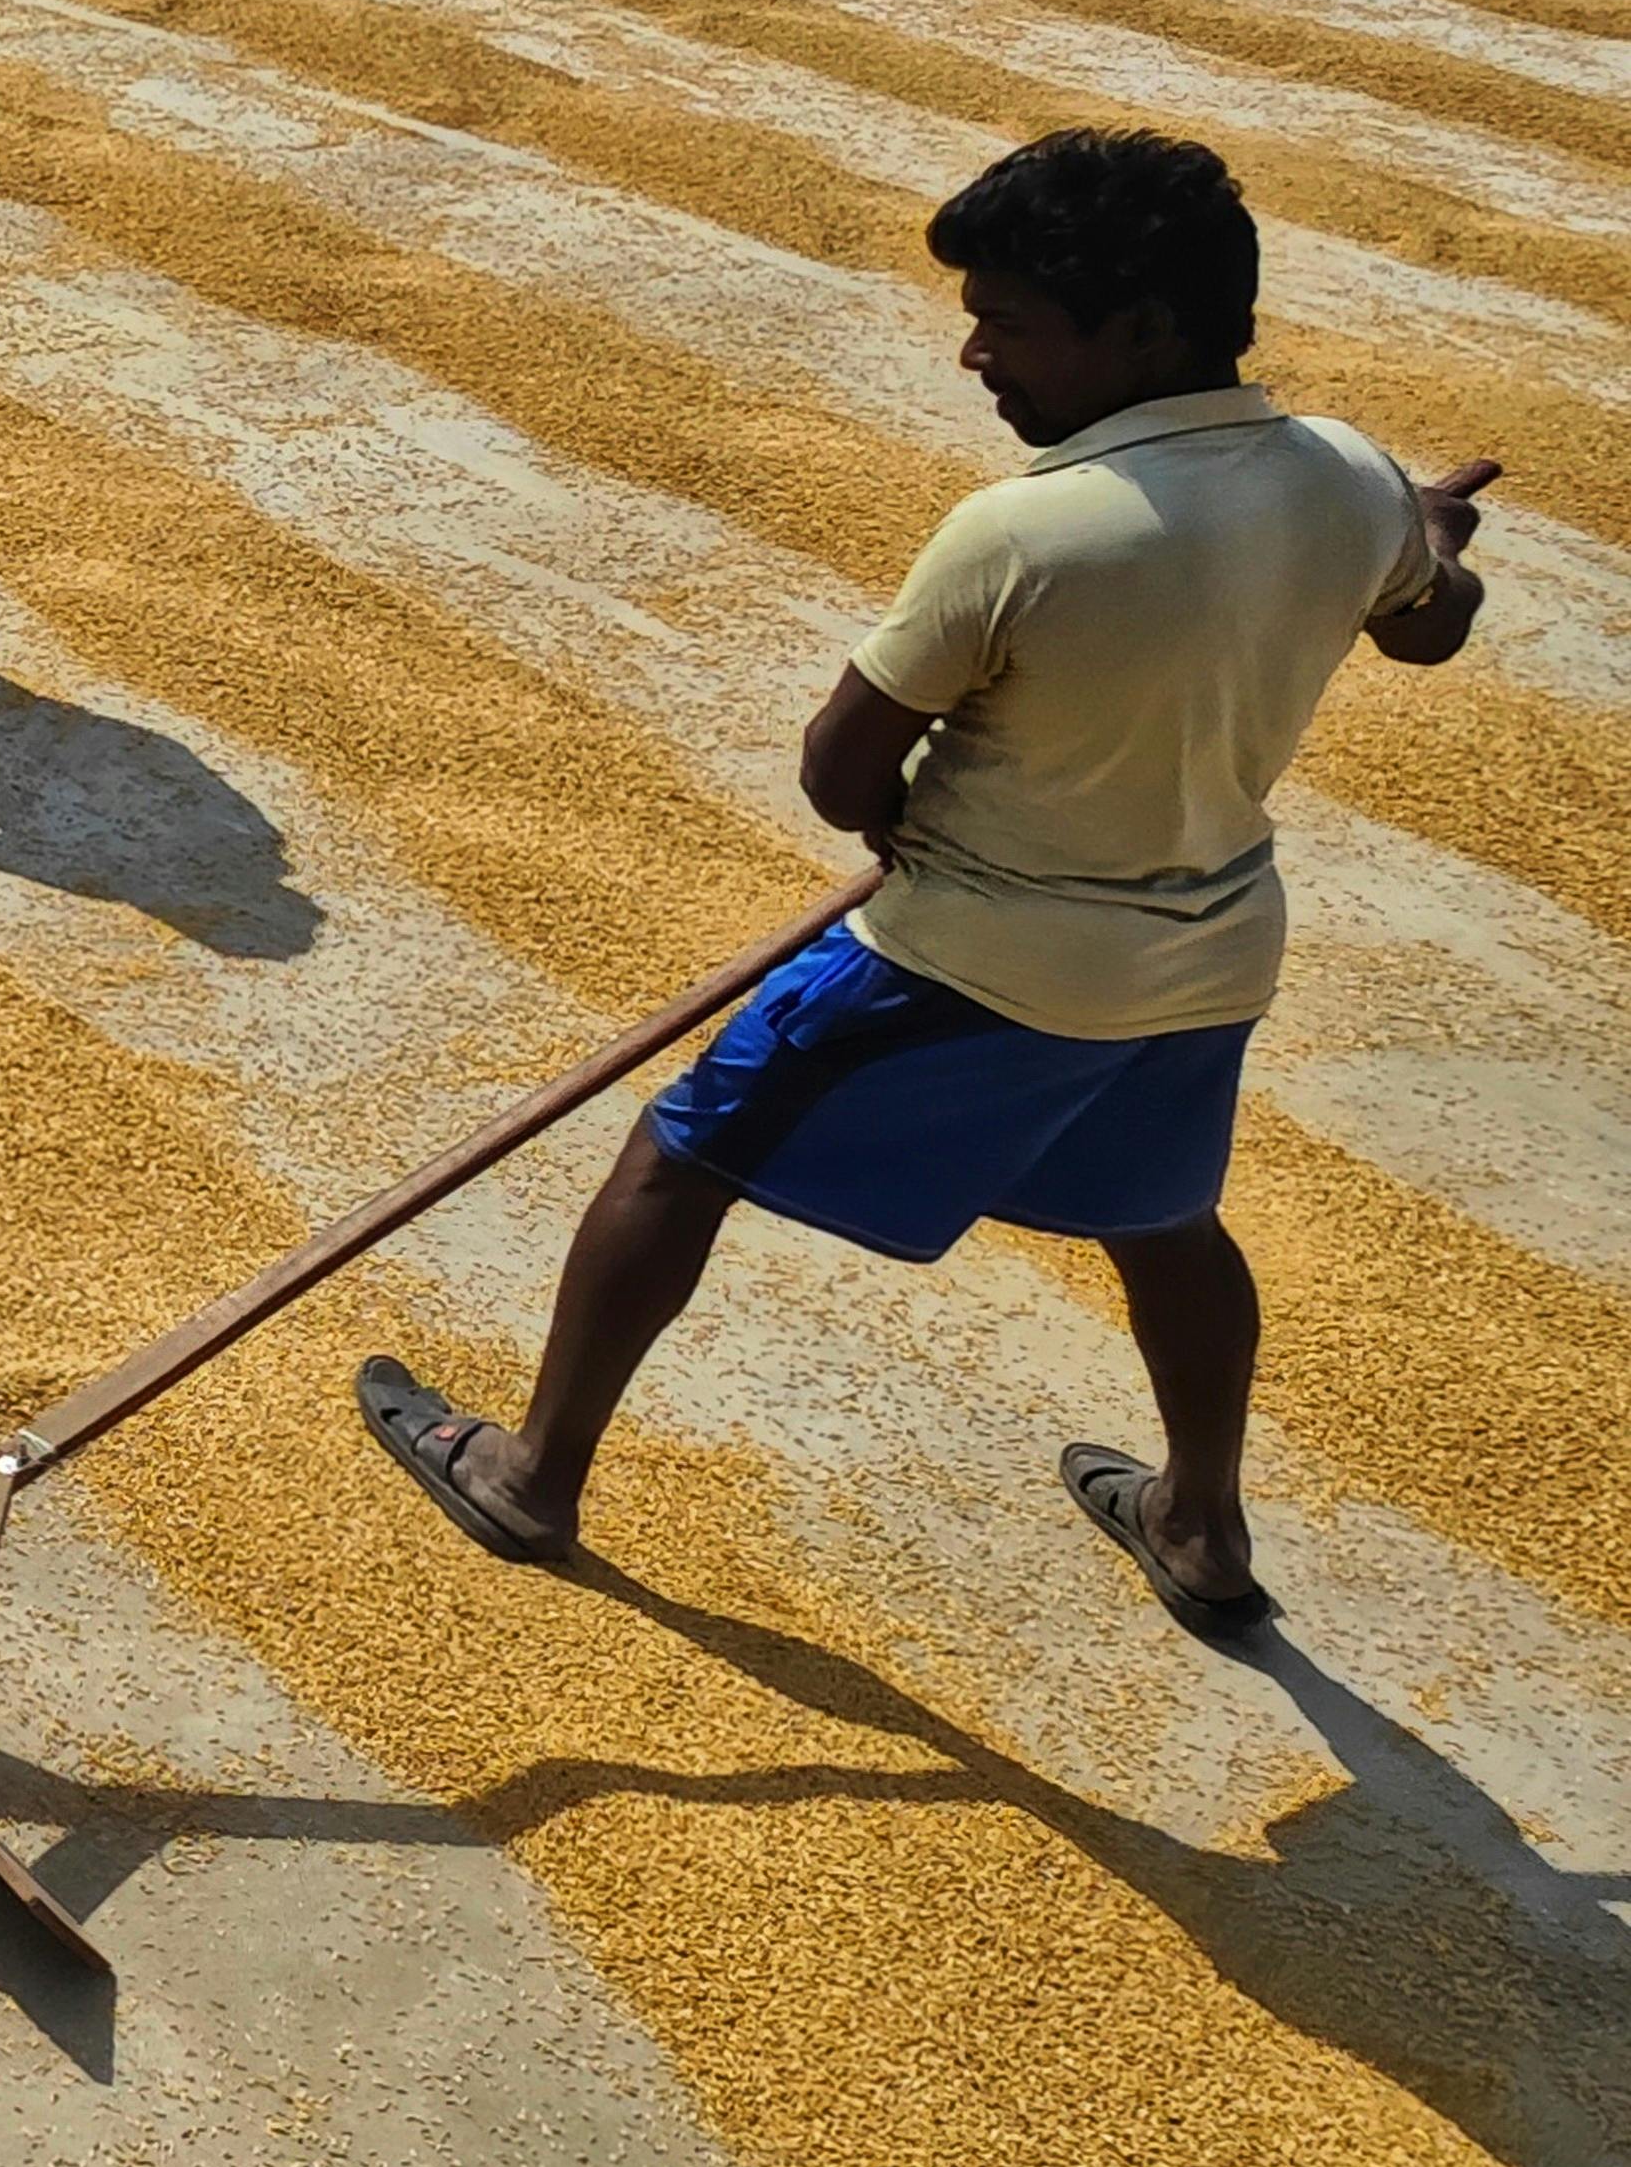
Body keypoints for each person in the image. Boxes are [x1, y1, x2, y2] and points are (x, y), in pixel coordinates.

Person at [357, 128, 1495, 1636]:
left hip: (972, 957)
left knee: (681, 1157)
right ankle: (1201, 1524)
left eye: (1009, 320)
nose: (972, 354)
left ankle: (530, 1473)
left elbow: (839, 770)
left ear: (1143, 329)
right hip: (1204, 953)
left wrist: (907, 818)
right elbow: (1428, 626)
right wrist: (1427, 537)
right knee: (1168, 1224)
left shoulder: (1025, 532)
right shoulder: (1346, 477)